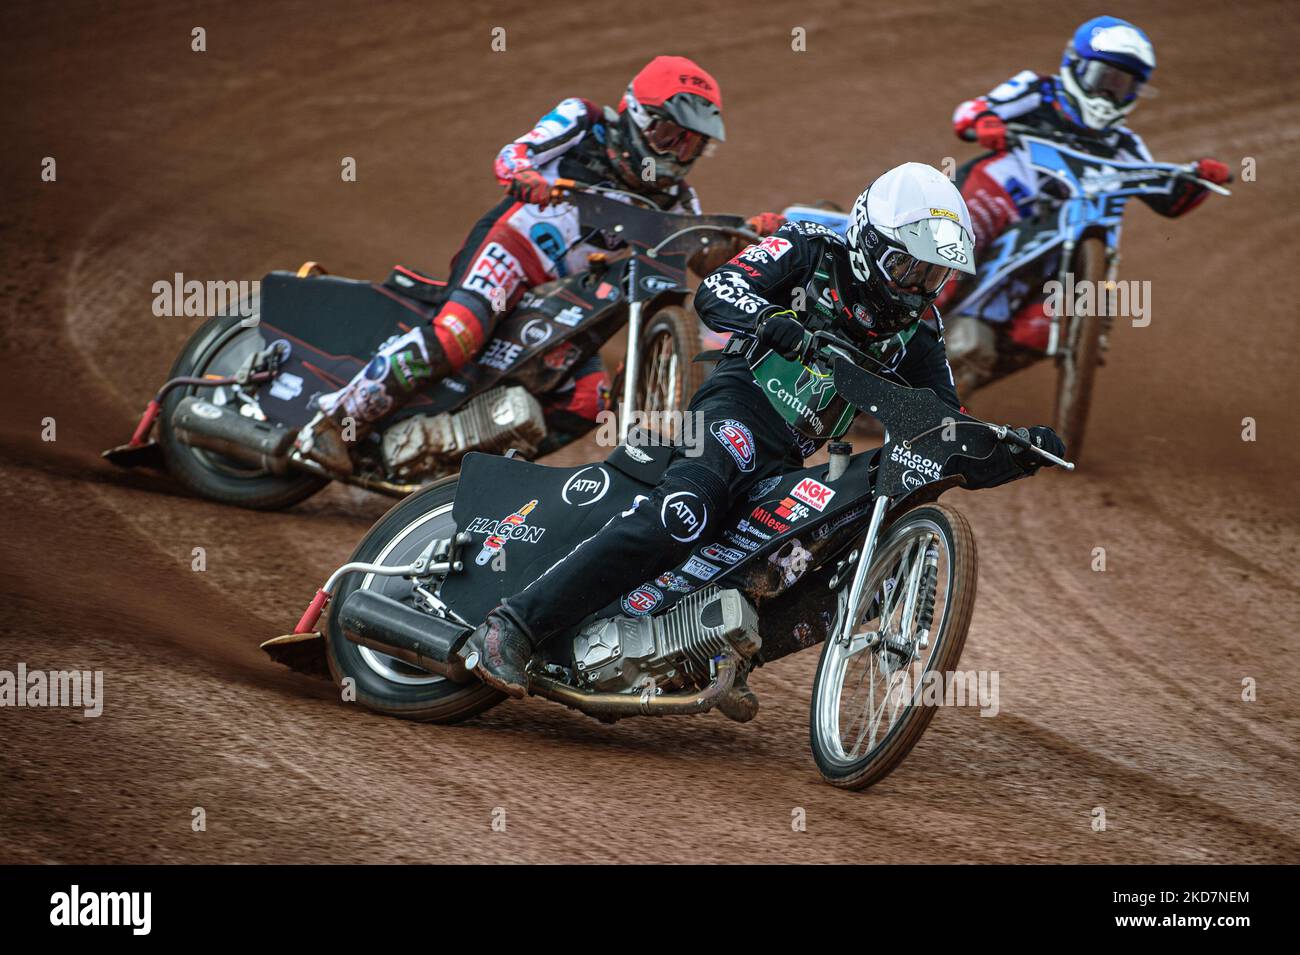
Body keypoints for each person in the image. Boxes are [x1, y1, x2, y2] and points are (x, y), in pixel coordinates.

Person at [468, 162, 1065, 698]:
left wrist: (1012, 448)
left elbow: (939, 424)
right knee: (688, 508)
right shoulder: (810, 249)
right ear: (868, 241)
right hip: (735, 408)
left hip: (789, 457)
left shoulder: (920, 329)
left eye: (932, 276)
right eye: (906, 267)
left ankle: (704, 649)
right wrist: (770, 319)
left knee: (812, 549)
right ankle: (512, 625)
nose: (915, 288)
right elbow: (719, 289)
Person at [296, 55, 783, 475]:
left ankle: (462, 458)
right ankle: (332, 423)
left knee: (590, 399)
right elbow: (515, 153)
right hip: (515, 252)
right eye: (668, 135)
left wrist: (750, 240)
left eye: (690, 144)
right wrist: (525, 173)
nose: (677, 155)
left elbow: (704, 259)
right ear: (637, 116)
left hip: (573, 302)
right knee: (457, 333)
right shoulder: (584, 120)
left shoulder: (677, 199)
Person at [934, 15, 1231, 353]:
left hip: (1065, 233)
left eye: (1121, 86)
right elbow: (970, 112)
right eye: (1102, 79)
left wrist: (1201, 179)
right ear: (1075, 66)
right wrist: (987, 123)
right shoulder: (1038, 90)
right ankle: (907, 313)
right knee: (949, 254)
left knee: (1048, 326)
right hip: (1000, 194)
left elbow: (1169, 201)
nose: (1108, 95)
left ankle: (985, 363)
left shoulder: (1124, 144)